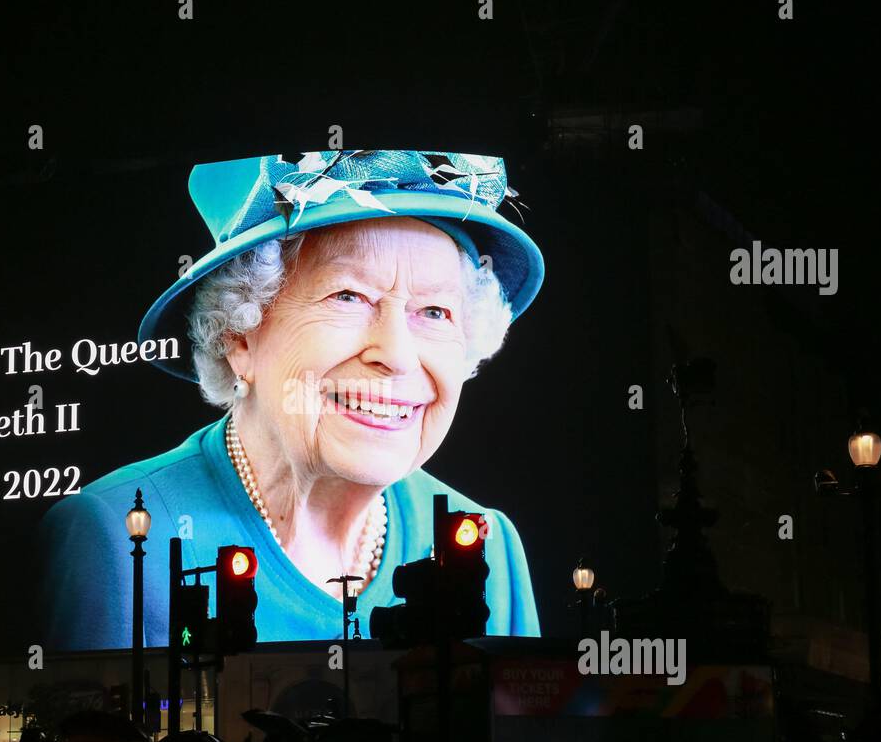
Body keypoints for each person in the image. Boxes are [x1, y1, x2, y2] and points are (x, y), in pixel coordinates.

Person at [41, 150, 545, 647]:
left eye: (435, 312)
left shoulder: (489, 547)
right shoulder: (117, 541)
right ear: (239, 337)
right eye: (347, 297)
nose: (397, 356)